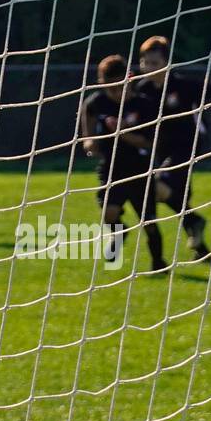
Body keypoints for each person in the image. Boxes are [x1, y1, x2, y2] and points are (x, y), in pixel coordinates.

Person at [81, 54, 165, 272]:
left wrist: (123, 131)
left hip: (140, 170)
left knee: (149, 223)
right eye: (111, 89)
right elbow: (87, 126)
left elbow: (148, 142)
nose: (116, 94)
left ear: (129, 79)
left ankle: (159, 263)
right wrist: (90, 142)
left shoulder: (144, 105)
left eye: (120, 87)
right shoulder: (96, 102)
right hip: (111, 168)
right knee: (109, 213)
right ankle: (120, 232)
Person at [134, 36, 211, 262]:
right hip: (161, 151)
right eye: (145, 63)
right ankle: (199, 243)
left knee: (157, 186)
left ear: (166, 63)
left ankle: (193, 223)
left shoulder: (181, 85)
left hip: (186, 148)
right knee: (177, 197)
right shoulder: (142, 90)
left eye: (155, 63)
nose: (149, 68)